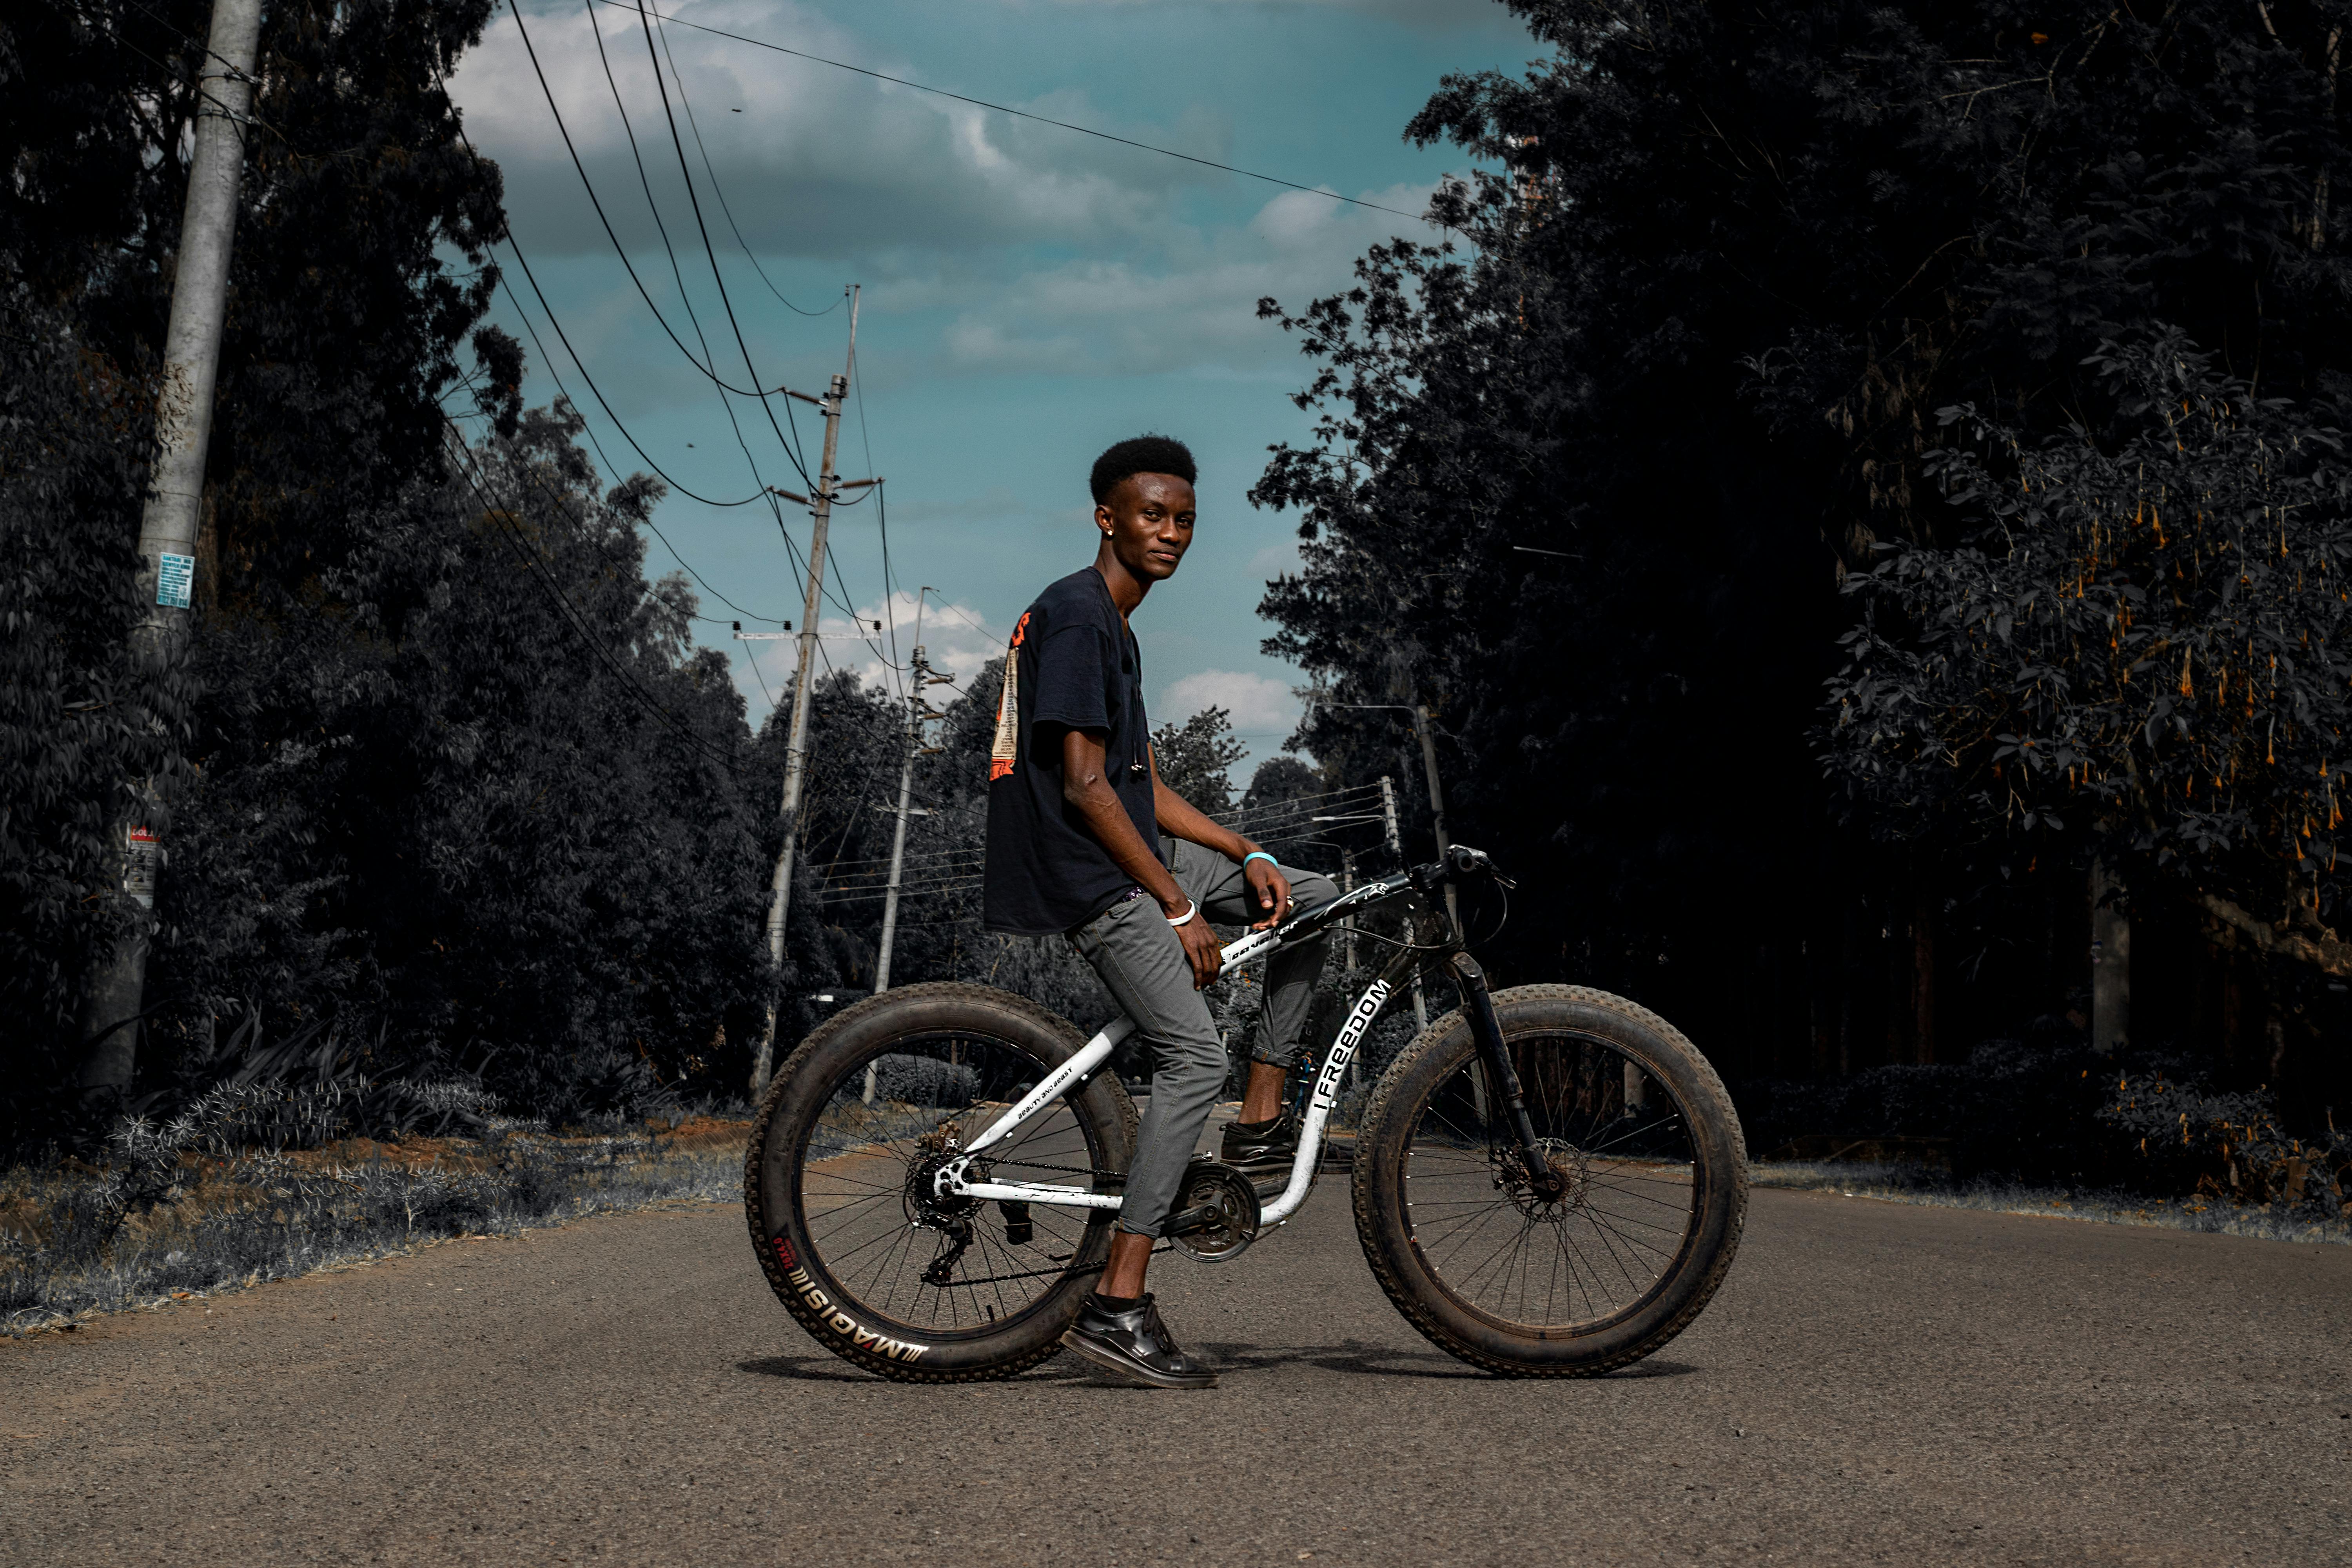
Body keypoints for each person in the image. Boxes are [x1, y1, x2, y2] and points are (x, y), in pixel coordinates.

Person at [982, 434, 1338, 1390]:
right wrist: (1179, 906)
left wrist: (1244, 848)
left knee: (1314, 898)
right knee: (1191, 1057)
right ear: (1108, 517)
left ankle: (1261, 1114)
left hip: (1128, 844)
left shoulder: (1114, 624)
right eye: (1152, 514)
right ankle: (1118, 1301)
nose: (1171, 532)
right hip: (1089, 870)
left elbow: (1138, 781)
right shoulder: (1077, 616)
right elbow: (1086, 785)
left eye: (1184, 519)